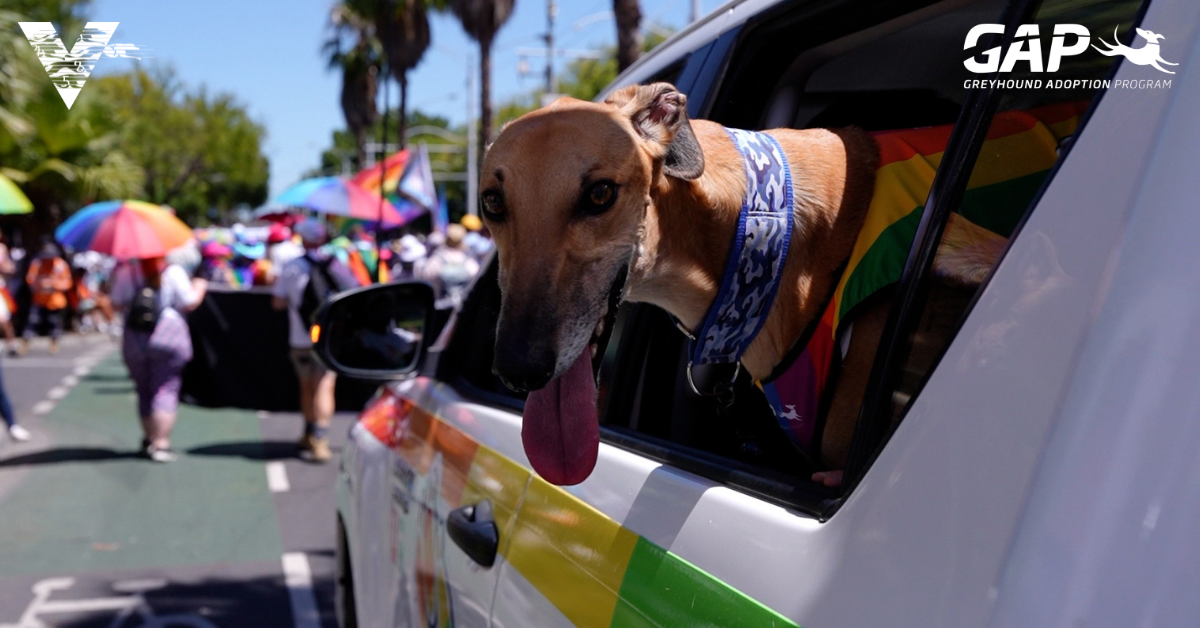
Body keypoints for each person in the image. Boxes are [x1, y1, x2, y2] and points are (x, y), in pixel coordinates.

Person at [272, 219, 357, 463]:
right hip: (328, 338)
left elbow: (277, 302)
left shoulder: (291, 267)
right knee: (324, 386)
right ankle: (320, 437)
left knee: (306, 386)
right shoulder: (336, 264)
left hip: (300, 338)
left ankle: (310, 432)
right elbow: (354, 291)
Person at [111, 256, 207, 462]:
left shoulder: (126, 273)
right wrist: (199, 287)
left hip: (135, 339)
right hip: (169, 336)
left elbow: (116, 304)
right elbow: (188, 302)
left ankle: (149, 437)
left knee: (144, 389)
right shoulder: (174, 272)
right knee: (166, 388)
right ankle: (161, 442)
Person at [21, 240, 71, 355]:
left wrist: (54, 284)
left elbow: (67, 283)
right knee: (32, 322)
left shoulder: (60, 265)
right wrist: (39, 283)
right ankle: (25, 345)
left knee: (54, 323)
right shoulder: (37, 263)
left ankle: (54, 344)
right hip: (39, 298)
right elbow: (30, 279)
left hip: (55, 300)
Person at [419, 224, 480, 309]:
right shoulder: (469, 262)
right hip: (464, 307)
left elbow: (426, 279)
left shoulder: (436, 260)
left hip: (442, 306)